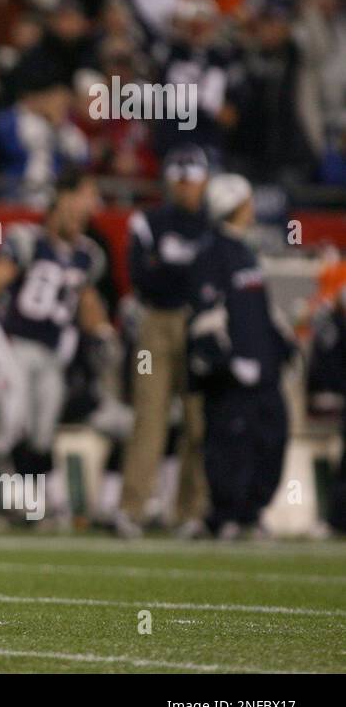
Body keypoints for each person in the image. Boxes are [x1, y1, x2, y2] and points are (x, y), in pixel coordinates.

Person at [0, 168, 116, 519]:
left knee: (42, 427)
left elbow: (88, 300)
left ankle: (35, 499)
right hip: (14, 343)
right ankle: (12, 495)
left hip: (53, 350)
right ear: (56, 206)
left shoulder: (88, 255)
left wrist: (102, 333)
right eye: (72, 210)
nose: (78, 219)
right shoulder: (28, 240)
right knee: (15, 416)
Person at [187, 173, 295, 539]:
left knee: (272, 439)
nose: (251, 209)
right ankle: (226, 514)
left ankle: (252, 511)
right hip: (231, 377)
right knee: (229, 446)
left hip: (262, 370)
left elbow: (262, 308)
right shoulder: (211, 253)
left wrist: (283, 346)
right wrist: (226, 362)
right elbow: (205, 314)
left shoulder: (246, 251)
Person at [116, 145, 211, 538]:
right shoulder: (149, 221)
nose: (186, 188)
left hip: (201, 325)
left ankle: (191, 512)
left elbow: (207, 278)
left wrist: (170, 271)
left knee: (198, 420)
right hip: (155, 323)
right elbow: (141, 276)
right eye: (180, 179)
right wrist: (183, 276)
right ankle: (132, 508)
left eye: (192, 180)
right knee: (149, 417)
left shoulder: (213, 224)